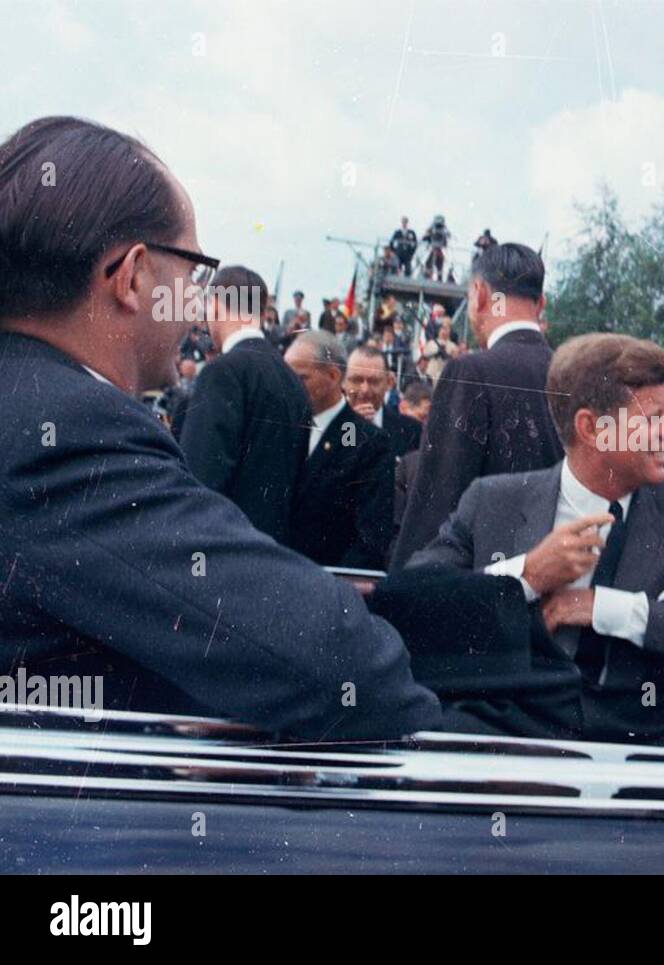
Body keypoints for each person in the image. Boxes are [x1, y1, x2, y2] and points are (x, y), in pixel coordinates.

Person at [0, 115, 504, 740]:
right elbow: (337, 662)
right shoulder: (71, 431)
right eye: (194, 268)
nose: (198, 298)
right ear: (131, 277)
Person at [409, 334, 664, 743]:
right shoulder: (494, 500)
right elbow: (413, 607)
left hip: (634, 755)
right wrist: (526, 575)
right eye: (653, 419)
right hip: (503, 745)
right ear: (591, 428)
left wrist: (610, 609)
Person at [391, 242, 564, 569]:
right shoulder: (573, 374)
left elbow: (439, 495)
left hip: (480, 580)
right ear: (540, 303)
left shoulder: (470, 372)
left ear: (480, 294)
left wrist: (403, 584)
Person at [178, 265, 311, 545]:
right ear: (262, 312)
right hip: (273, 553)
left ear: (214, 306)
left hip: (223, 552)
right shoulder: (292, 380)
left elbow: (201, 476)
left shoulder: (221, 372)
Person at [283, 331, 393, 570]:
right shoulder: (280, 430)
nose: (289, 386)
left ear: (333, 376)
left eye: (300, 378)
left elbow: (371, 537)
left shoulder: (368, 442)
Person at [343, 345, 421, 460]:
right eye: (356, 380)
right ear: (343, 382)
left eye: (374, 381)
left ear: (389, 382)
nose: (365, 389)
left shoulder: (411, 431)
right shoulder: (327, 429)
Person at [422, 214, 450, 281]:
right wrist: (428, 233)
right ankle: (428, 277)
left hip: (439, 251)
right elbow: (425, 238)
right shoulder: (432, 229)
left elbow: (445, 242)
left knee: (439, 265)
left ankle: (439, 279)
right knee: (428, 264)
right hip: (433, 250)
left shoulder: (443, 231)